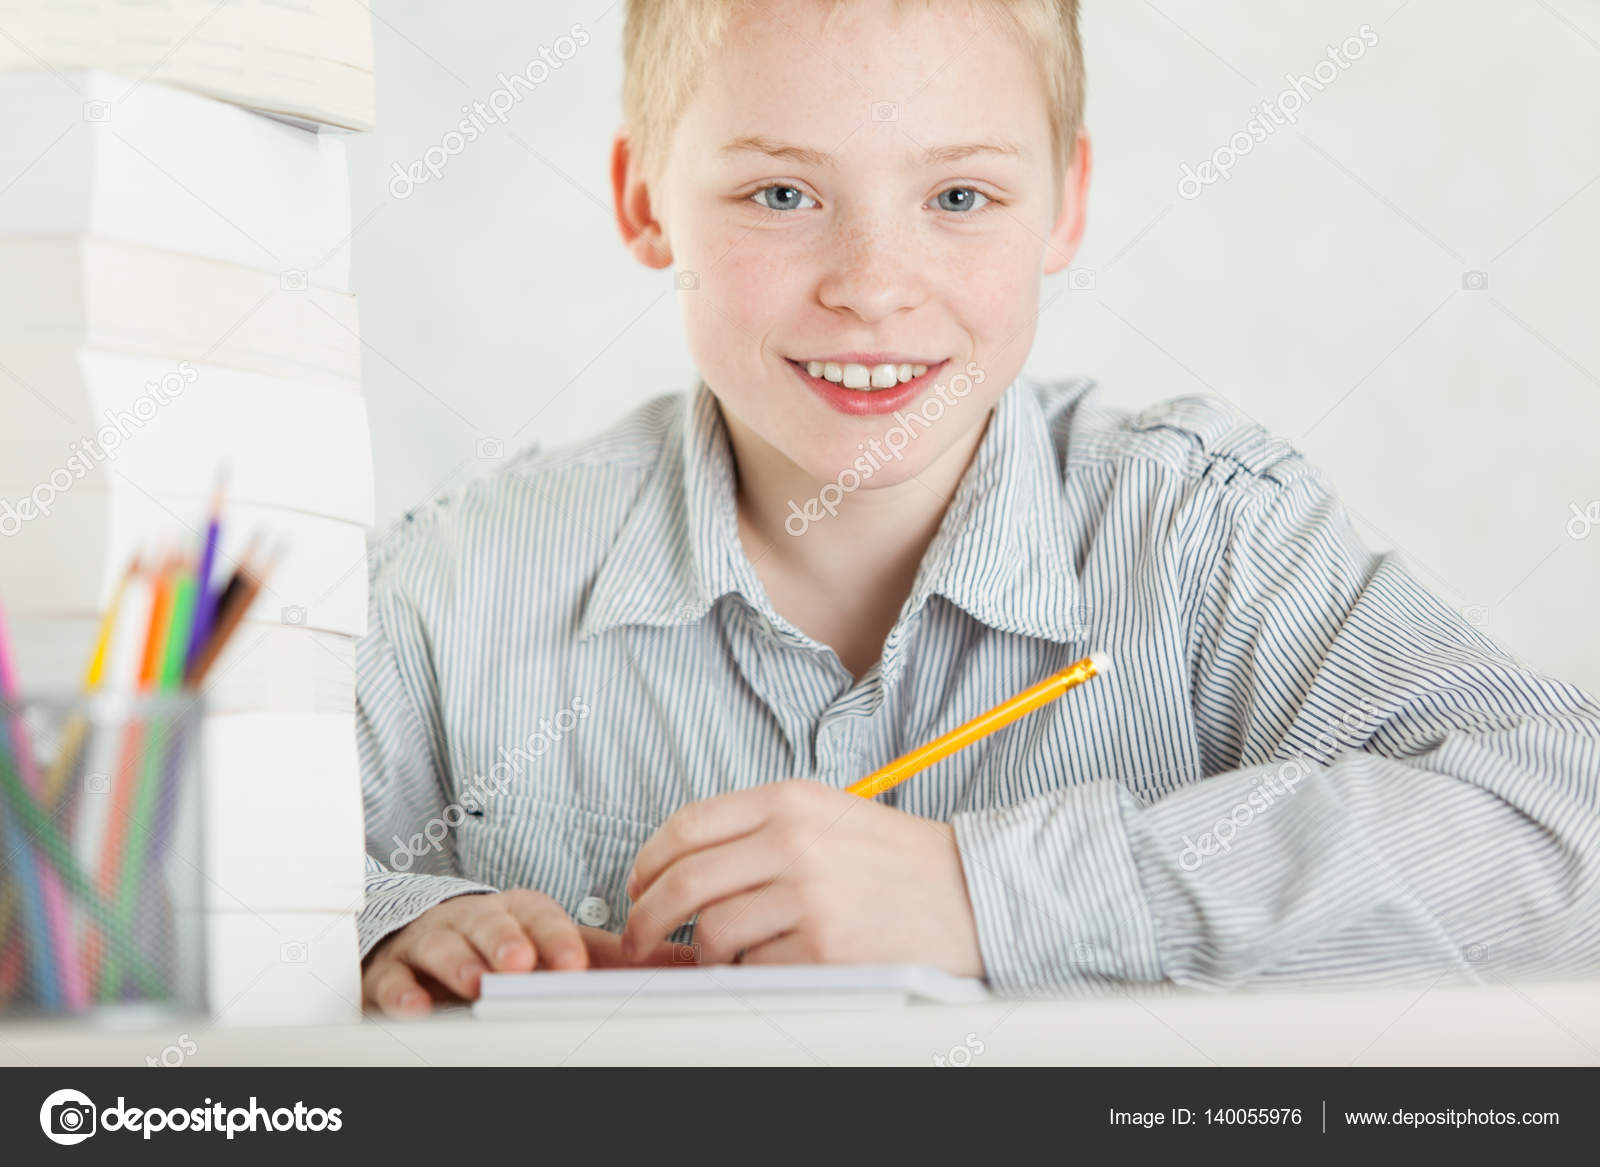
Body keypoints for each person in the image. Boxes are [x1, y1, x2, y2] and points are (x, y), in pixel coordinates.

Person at [357, 0, 1600, 1016]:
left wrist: (982, 895)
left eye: (958, 198)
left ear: (1063, 203)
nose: (873, 289)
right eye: (782, 195)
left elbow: (1561, 825)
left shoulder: (1201, 533)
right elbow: (194, 891)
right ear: (644, 203)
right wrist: (394, 932)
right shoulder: (455, 579)